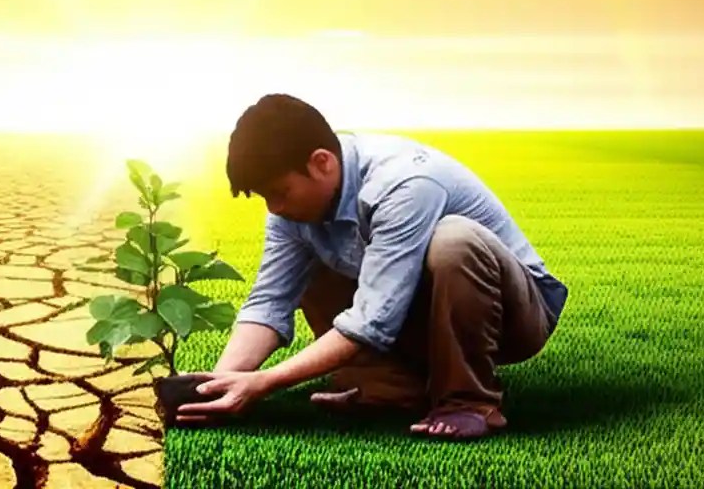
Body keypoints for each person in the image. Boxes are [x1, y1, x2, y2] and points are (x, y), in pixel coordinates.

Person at [176, 93, 569, 440]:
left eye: (279, 193)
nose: (274, 209)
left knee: (453, 241)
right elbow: (269, 303)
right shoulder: (293, 213)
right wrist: (217, 384)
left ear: (321, 163)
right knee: (313, 254)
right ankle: (388, 390)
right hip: (421, 310)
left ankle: (467, 401)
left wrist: (265, 382)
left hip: (514, 315)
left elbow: (373, 320)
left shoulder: (404, 182)